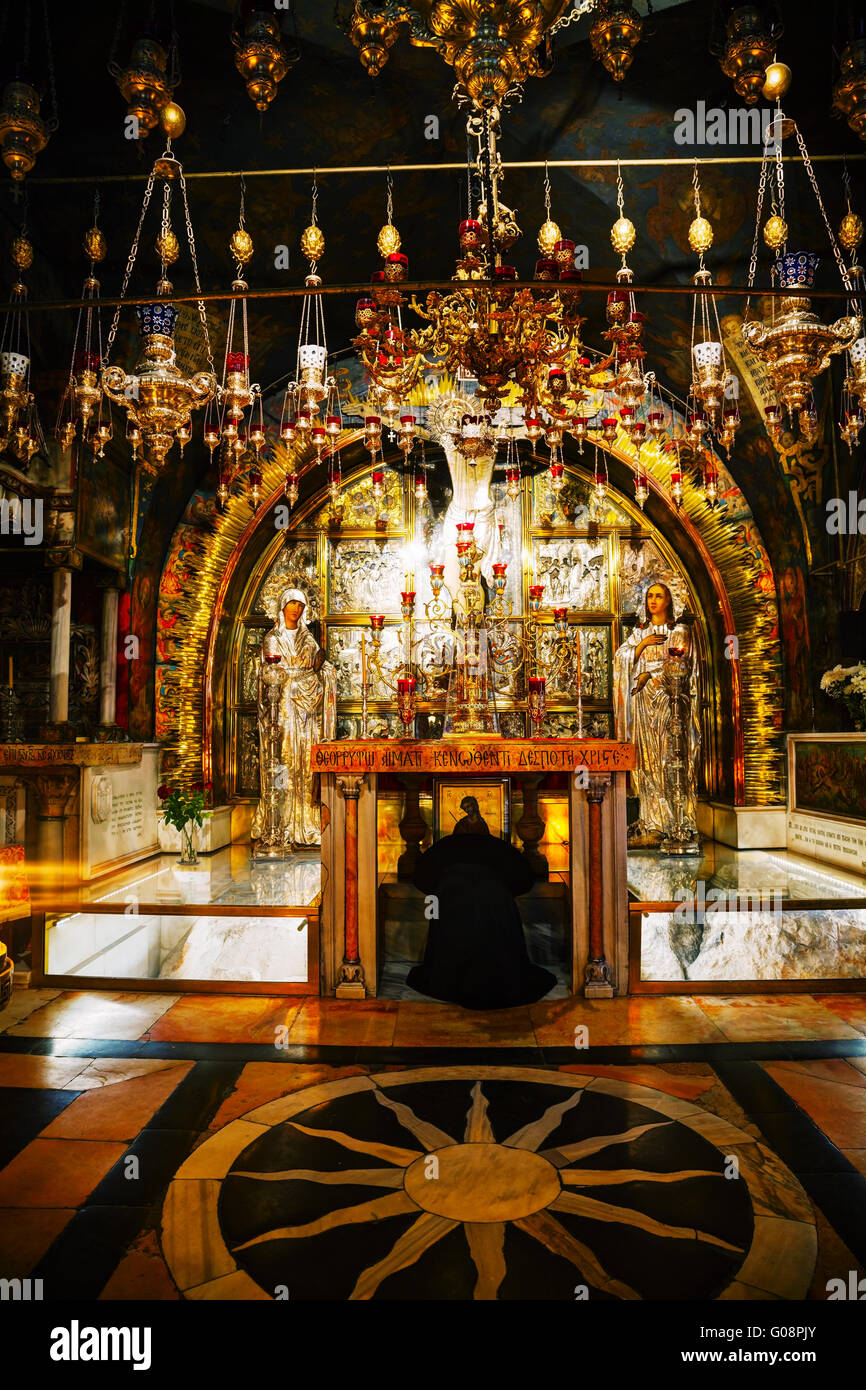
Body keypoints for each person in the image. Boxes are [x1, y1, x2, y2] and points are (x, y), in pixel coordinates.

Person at [407, 831, 556, 1009]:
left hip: (453, 904)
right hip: (493, 903)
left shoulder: (444, 848)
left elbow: (421, 877)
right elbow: (525, 879)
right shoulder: (500, 849)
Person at [612, 581, 700, 844]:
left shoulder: (679, 631)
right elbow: (620, 659)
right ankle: (650, 820)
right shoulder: (641, 634)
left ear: (669, 601)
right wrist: (643, 645)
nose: (653, 601)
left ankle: (674, 821)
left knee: (667, 758)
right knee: (647, 761)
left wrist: (649, 674)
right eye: (649, 596)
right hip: (642, 703)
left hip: (667, 702)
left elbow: (680, 667)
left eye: (659, 596)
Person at [251, 586, 336, 851]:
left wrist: (324, 671)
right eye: (292, 604)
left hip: (306, 711)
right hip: (283, 708)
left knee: (305, 760)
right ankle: (280, 823)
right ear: (283, 606)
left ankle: (306, 821)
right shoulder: (272, 639)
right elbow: (269, 674)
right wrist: (289, 677)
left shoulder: (309, 640)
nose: (296, 609)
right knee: (283, 758)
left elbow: (317, 668)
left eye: (300, 605)